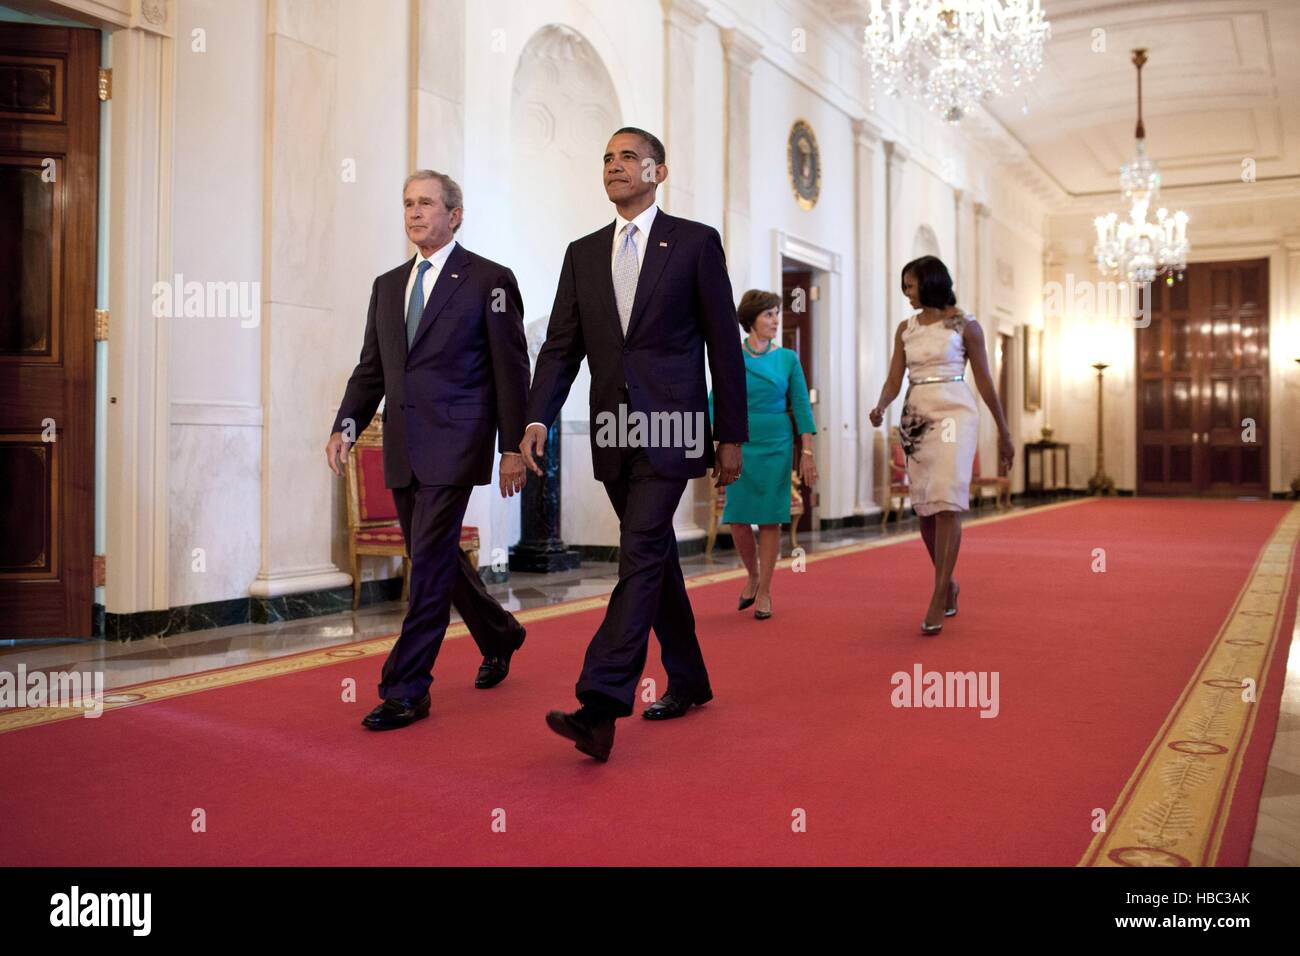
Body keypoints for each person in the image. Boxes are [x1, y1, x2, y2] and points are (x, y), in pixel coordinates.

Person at [520, 127, 747, 761]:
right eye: (607, 159)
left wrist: (730, 434)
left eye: (628, 157)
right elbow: (562, 346)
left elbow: (722, 346)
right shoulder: (583, 253)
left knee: (639, 549)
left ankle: (600, 703)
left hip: (674, 428)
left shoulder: (696, 244)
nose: (615, 167)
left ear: (658, 172)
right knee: (655, 560)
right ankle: (691, 677)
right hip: (613, 430)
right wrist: (538, 417)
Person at [325, 170, 532, 731]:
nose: (415, 213)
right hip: (402, 444)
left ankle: (407, 686)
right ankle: (500, 632)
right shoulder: (387, 286)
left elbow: (512, 370)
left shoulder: (490, 279)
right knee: (433, 555)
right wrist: (346, 424)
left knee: (430, 564)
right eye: (408, 204)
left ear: (455, 214)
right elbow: (373, 369)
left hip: (457, 443)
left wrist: (512, 447)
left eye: (426, 203)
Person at [869, 255, 1014, 635]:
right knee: (927, 508)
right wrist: (882, 405)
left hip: (956, 413)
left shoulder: (965, 325)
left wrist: (1004, 431)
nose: (907, 294)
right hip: (916, 414)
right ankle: (948, 582)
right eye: (904, 287)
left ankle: (937, 595)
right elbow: (894, 379)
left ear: (930, 282)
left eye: (911, 286)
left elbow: (984, 382)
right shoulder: (906, 328)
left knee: (948, 501)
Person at [710, 289, 816, 620]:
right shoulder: (732, 356)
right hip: (740, 443)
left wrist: (807, 450)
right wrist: (713, 445)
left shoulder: (787, 359)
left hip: (777, 444)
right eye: (768, 314)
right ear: (751, 319)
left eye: (776, 313)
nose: (775, 320)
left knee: (771, 518)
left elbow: (800, 404)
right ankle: (752, 574)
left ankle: (766, 590)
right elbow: (717, 401)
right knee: (738, 517)